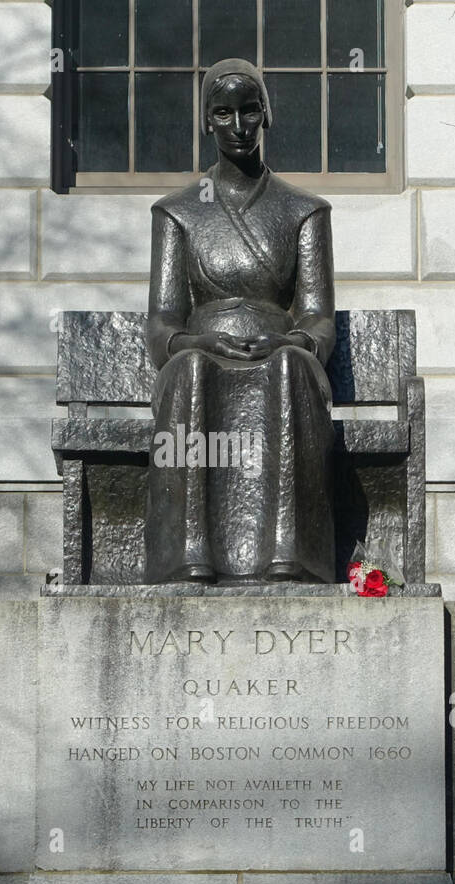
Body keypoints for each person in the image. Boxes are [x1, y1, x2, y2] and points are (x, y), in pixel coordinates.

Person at [144, 58, 336, 585]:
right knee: (190, 371)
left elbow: (319, 317)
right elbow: (161, 322)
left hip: (278, 351)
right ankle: (187, 554)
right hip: (204, 352)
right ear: (207, 120)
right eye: (222, 113)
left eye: (249, 112)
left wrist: (292, 339)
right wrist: (192, 341)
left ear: (266, 115)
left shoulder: (304, 211)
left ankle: (290, 553)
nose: (237, 127)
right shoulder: (177, 212)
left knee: (290, 370)